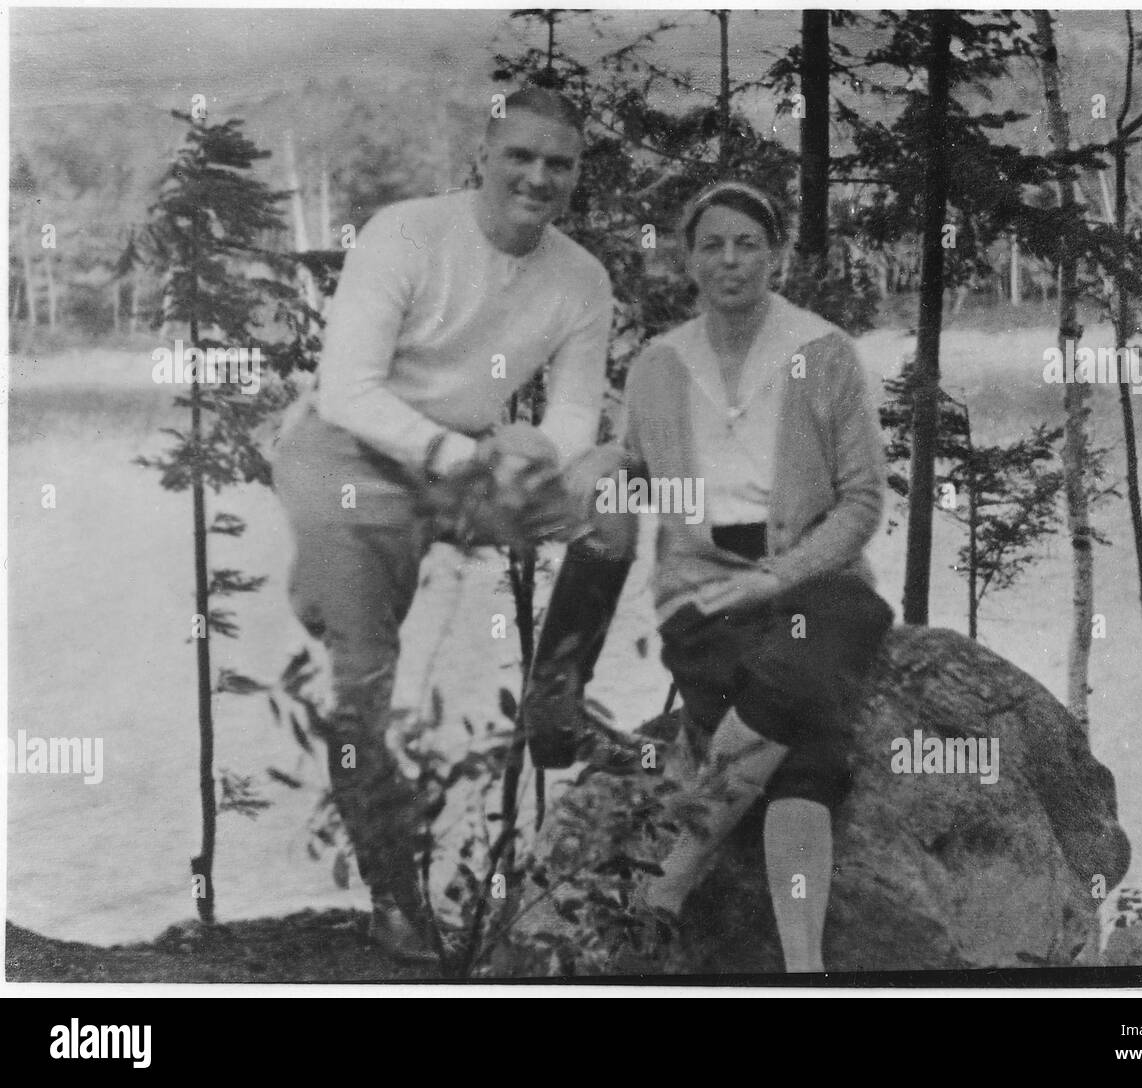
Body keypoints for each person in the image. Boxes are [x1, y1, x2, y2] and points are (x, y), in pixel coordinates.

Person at [271, 86, 614, 963]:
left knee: (610, 508)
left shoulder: (581, 278)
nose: (538, 178)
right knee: (361, 684)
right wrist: (466, 459)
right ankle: (393, 896)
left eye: (559, 164)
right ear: (483, 160)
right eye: (521, 157)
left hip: (469, 461)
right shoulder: (407, 234)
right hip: (347, 455)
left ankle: (555, 698)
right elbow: (348, 388)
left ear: (576, 175)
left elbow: (576, 416)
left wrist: (538, 452)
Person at [525, 180, 894, 973]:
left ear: (777, 255)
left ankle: (671, 876)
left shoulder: (823, 354)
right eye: (713, 245)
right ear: (690, 260)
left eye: (748, 244)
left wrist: (776, 577)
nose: (731, 261)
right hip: (704, 592)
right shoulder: (661, 365)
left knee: (835, 636)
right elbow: (635, 474)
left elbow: (863, 504)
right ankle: (805, 972)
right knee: (807, 746)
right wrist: (590, 472)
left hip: (811, 586)